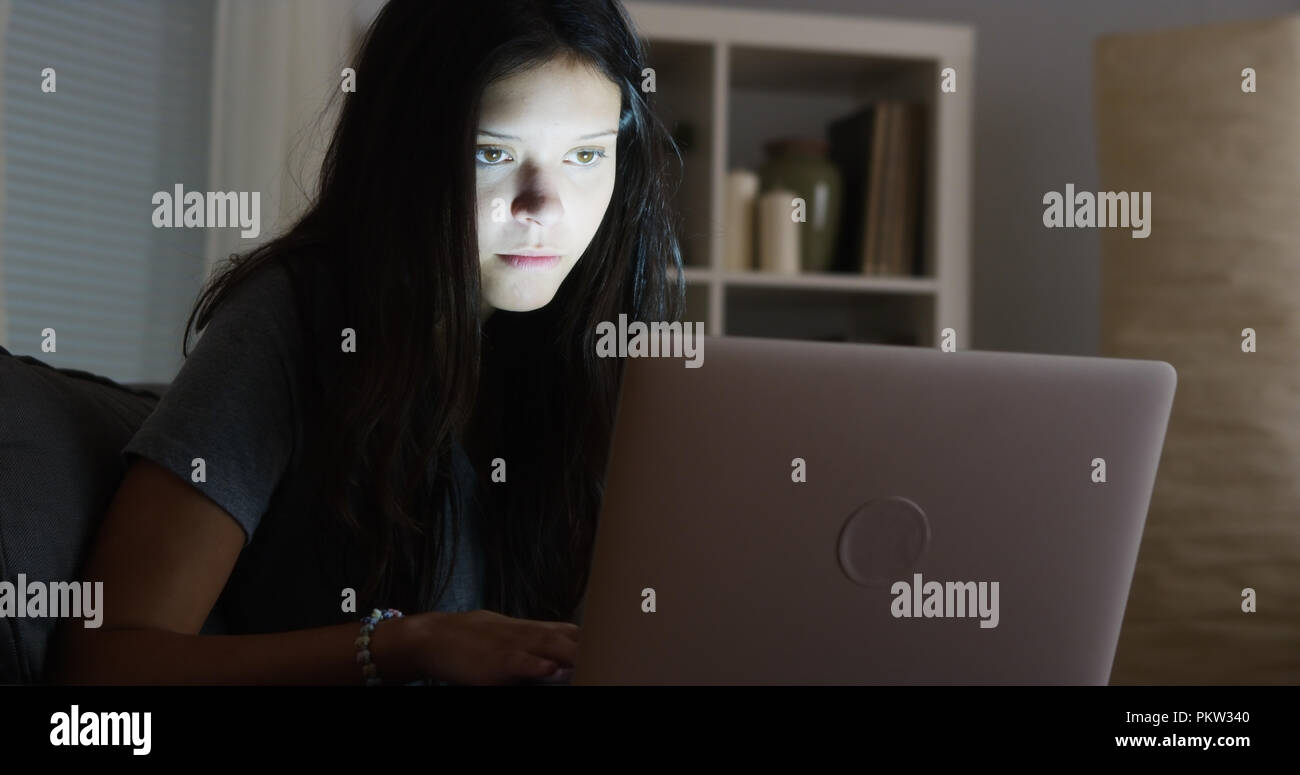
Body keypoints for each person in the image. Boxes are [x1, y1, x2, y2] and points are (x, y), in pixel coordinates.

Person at [49, 0, 684, 685]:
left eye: (585, 155)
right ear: (405, 153)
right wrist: (399, 644)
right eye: (492, 152)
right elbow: (104, 662)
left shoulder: (585, 344)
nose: (544, 207)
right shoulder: (293, 321)